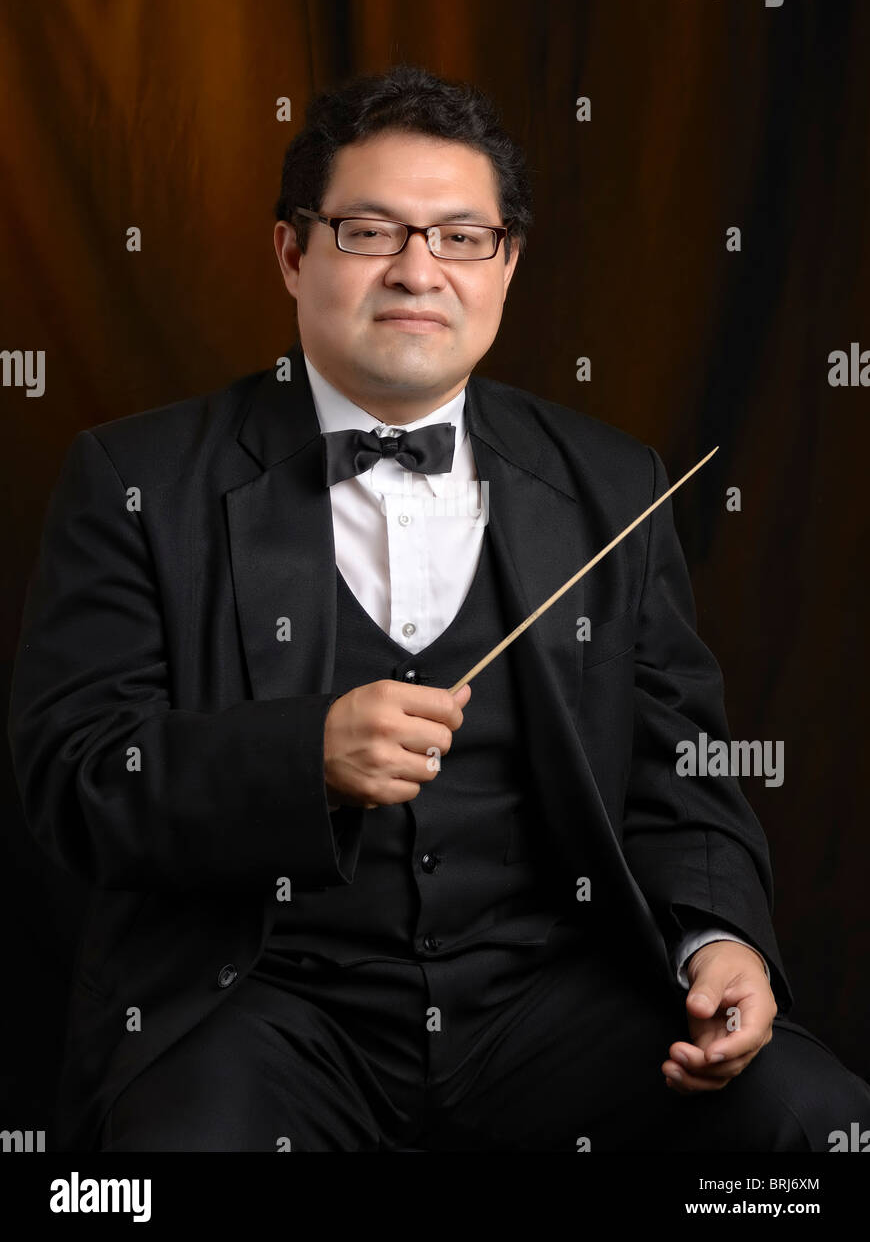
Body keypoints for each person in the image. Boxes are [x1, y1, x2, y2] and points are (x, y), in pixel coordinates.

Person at [8, 64, 869, 1153]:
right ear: (292, 253)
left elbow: (678, 773)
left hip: (553, 1003)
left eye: (463, 236)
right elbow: (72, 779)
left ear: (507, 262)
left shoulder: (615, 482)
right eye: (371, 230)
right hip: (259, 1010)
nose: (420, 270)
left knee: (818, 1126)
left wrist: (717, 941)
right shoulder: (136, 478)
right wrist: (302, 755)